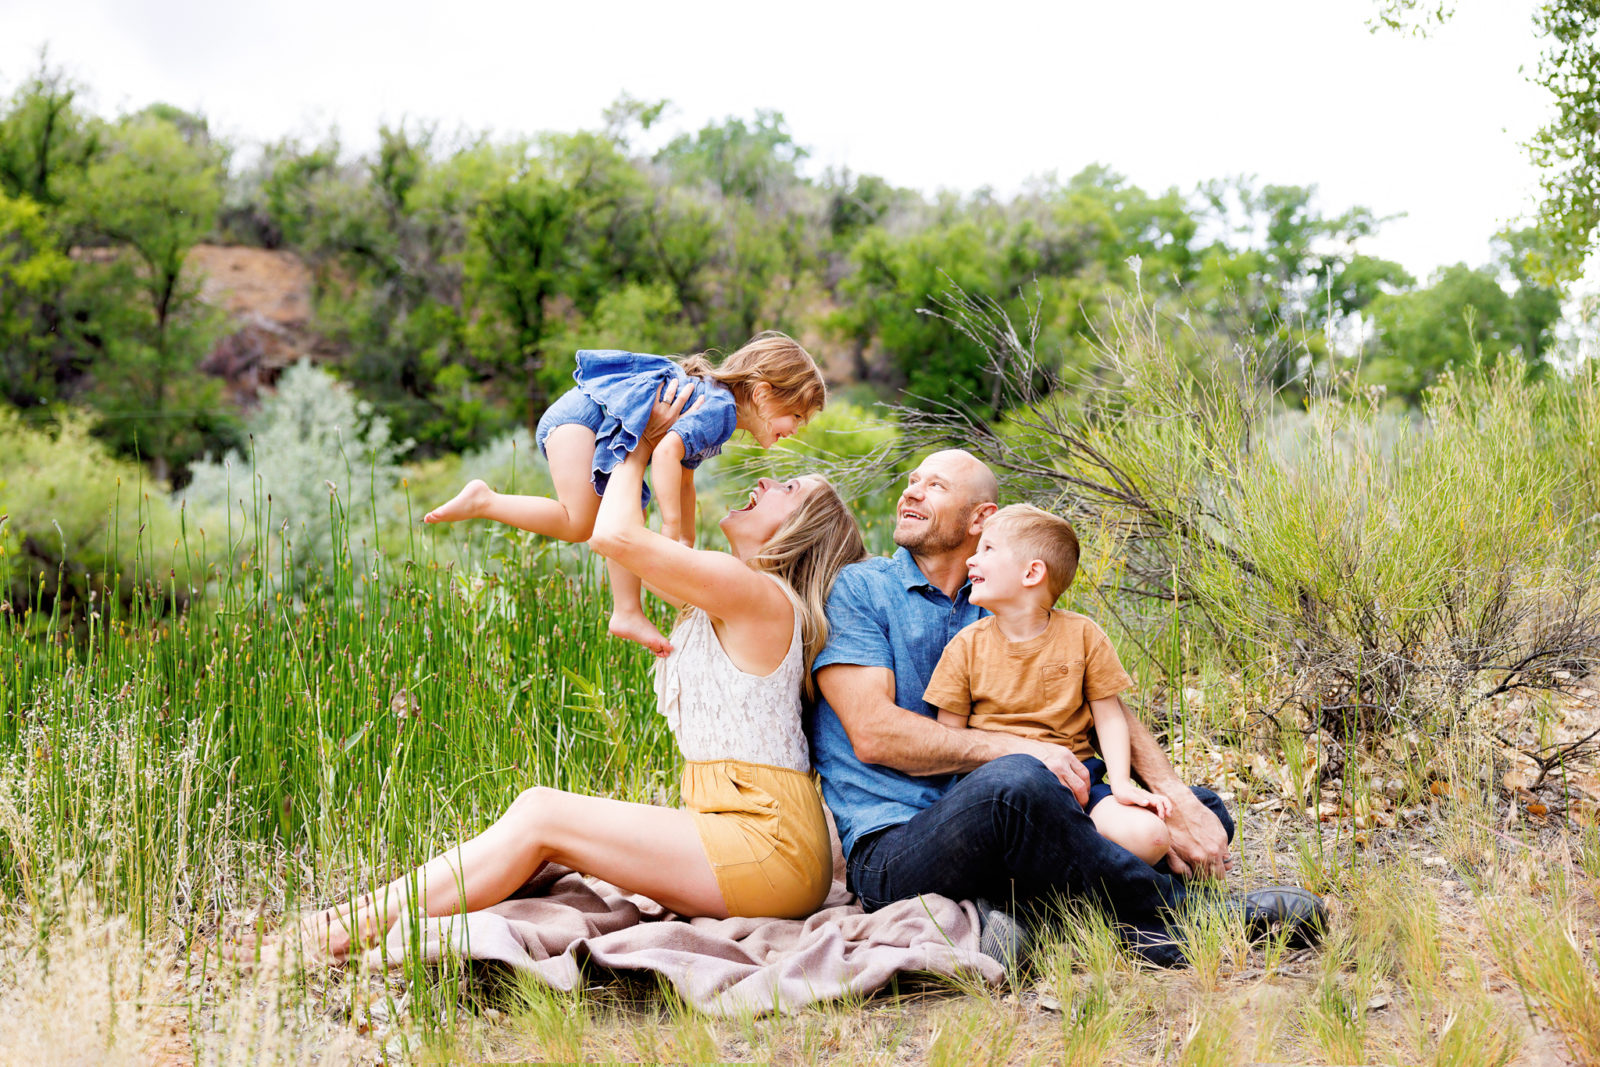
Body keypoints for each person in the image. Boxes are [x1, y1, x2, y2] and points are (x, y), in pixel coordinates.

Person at [242, 382, 865, 965]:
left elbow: (614, 536)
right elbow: (659, 534)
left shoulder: (752, 594)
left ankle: (331, 935)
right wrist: (668, 450)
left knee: (543, 814)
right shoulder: (731, 591)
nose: (767, 480)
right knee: (541, 815)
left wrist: (637, 441)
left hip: (768, 848)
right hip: (747, 833)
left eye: (789, 489)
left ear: (799, 532)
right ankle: (342, 924)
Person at [807, 449, 1324, 967]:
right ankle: (1188, 920)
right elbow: (874, 733)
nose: (911, 491)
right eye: (913, 480)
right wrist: (1030, 752)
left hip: (1022, 815)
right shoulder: (861, 589)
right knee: (1019, 782)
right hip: (902, 843)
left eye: (935, 485)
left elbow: (1099, 702)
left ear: (981, 518)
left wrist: (1174, 795)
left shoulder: (1004, 595)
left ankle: (1035, 915)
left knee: (1197, 811)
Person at [424, 332, 826, 656]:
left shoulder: (717, 411)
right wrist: (671, 529)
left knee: (627, 511)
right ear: (762, 393)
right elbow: (666, 454)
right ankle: (485, 500)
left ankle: (627, 611)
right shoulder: (720, 411)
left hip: (588, 420)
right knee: (579, 523)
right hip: (585, 419)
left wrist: (684, 540)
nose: (795, 429)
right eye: (795, 416)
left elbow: (685, 478)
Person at [925, 503, 1172, 867]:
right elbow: (952, 739)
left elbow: (1109, 718)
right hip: (1003, 793)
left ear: (1032, 573)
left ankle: (1076, 866)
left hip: (1080, 782)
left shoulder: (1083, 635)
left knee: (1152, 836)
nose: (971, 560)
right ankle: (1087, 869)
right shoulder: (965, 646)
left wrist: (1121, 783)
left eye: (987, 549)